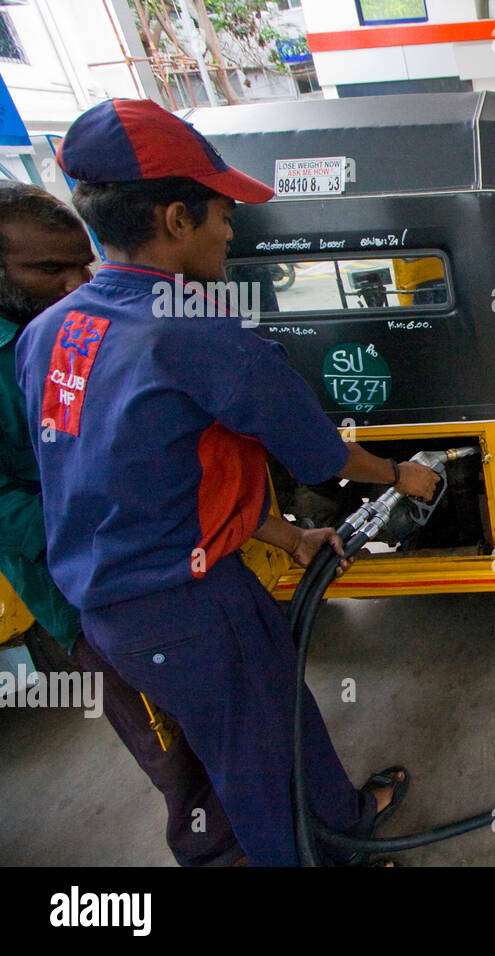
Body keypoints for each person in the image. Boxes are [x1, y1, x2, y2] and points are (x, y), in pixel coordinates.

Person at [16, 98, 441, 866]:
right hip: (185, 606)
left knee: (278, 709)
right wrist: (402, 475)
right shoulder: (198, 330)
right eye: (221, 212)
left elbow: (151, 477)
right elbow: (319, 454)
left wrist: (289, 533)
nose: (232, 229)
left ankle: (342, 818)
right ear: (177, 218)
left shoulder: (52, 330)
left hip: (123, 602)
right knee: (256, 771)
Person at [0, 180, 244, 866]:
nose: (76, 282)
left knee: (228, 721)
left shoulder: (74, 324)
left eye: (84, 264)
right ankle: (221, 855)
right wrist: (101, 525)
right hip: (86, 591)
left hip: (161, 567)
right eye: (50, 269)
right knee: (170, 744)